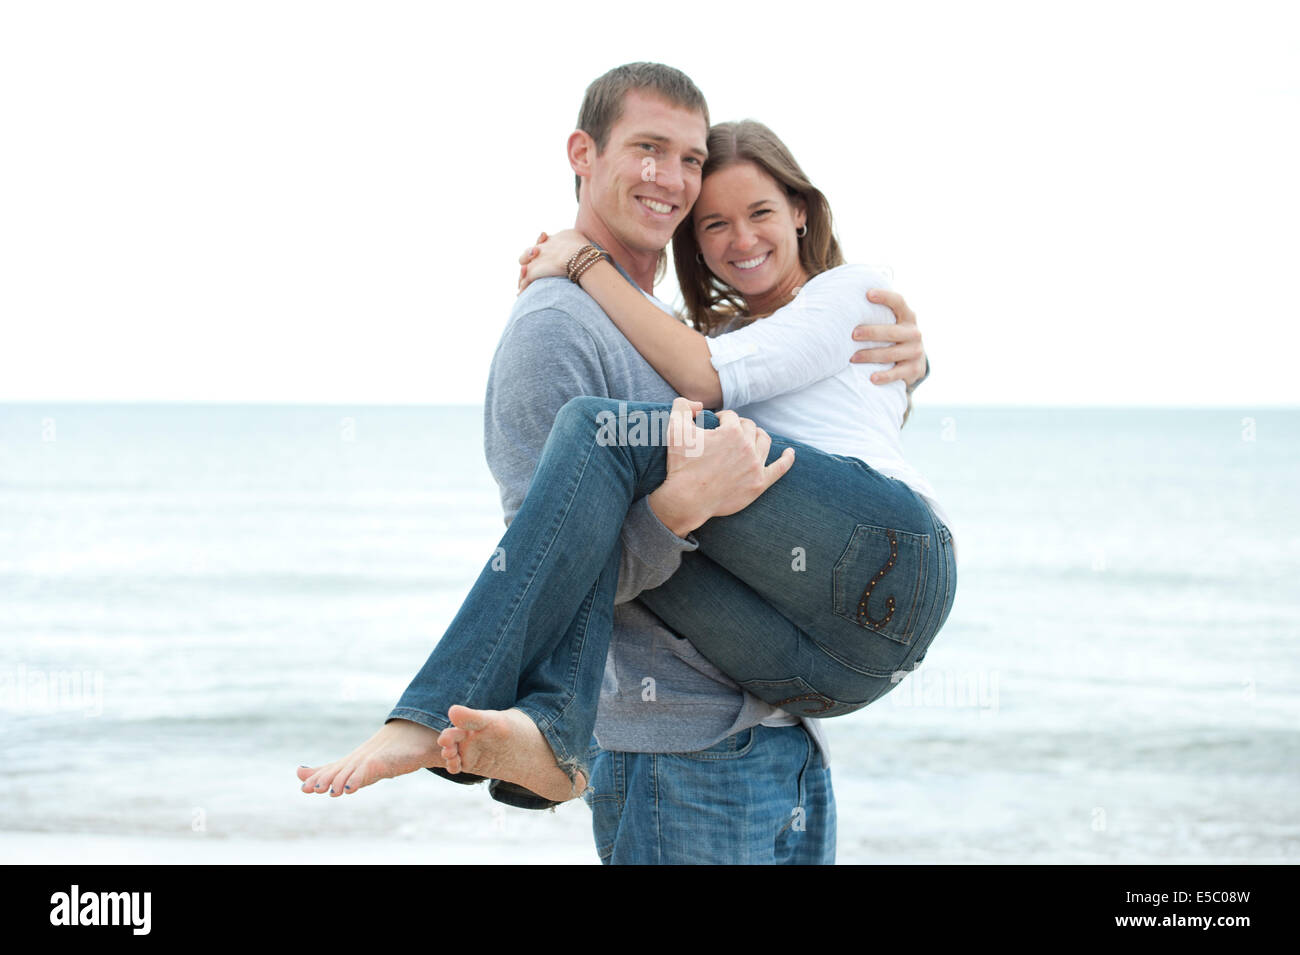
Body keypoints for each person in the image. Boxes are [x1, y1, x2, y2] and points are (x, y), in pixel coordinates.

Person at [297, 63, 935, 865]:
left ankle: (548, 738)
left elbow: (819, 403)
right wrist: (673, 512)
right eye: (647, 147)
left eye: (689, 159)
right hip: (677, 760)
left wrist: (914, 361)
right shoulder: (554, 326)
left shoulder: (675, 333)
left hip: (780, 731)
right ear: (583, 154)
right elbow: (551, 560)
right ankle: (463, 719)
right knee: (597, 433)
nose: (670, 179)